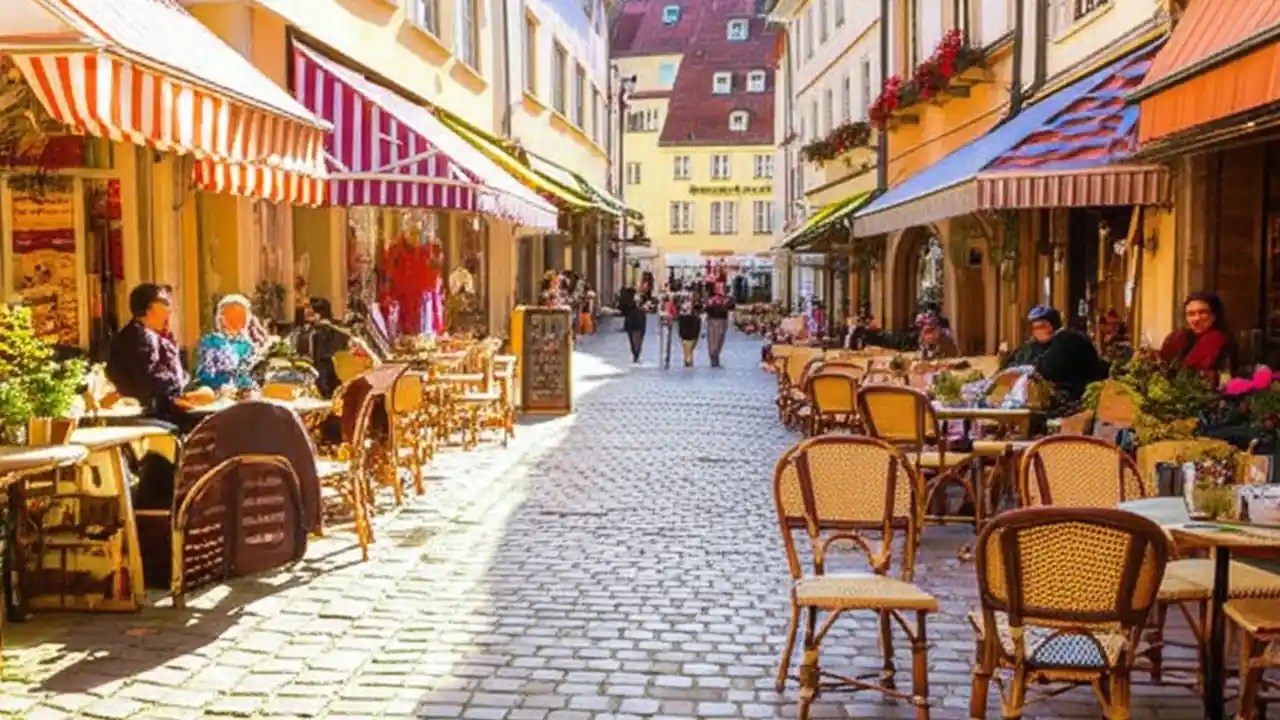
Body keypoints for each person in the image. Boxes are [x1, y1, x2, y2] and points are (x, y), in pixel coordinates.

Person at [105, 284, 212, 431]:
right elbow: (149, 378)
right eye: (164, 303)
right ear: (149, 308)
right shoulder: (138, 336)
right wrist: (180, 393)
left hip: (160, 406)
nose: (169, 310)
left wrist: (190, 387)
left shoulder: (148, 334)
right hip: (151, 412)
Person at [1006, 305, 1107, 404]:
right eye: (1034, 328)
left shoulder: (1070, 341)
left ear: (1053, 326)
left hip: (1073, 396)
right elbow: (1012, 364)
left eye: (1042, 326)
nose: (1037, 331)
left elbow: (1050, 369)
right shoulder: (1031, 346)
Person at [194, 294, 265, 391]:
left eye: (242, 315)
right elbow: (205, 376)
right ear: (222, 318)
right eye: (233, 315)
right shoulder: (210, 342)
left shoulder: (248, 346)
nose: (238, 320)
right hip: (220, 397)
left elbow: (254, 376)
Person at [1160, 292, 1237, 379]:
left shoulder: (1223, 343)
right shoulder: (1178, 339)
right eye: (1191, 314)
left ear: (1214, 316)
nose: (1196, 319)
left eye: (1202, 312)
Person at [703, 282, 735, 367]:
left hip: (720, 320)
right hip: (715, 320)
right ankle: (714, 356)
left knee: (717, 339)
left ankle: (715, 356)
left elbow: (730, 309)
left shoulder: (726, 299)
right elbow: (706, 309)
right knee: (715, 339)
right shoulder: (713, 300)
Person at [622, 289, 648, 364]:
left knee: (637, 340)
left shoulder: (642, 306)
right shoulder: (629, 304)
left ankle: (636, 354)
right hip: (633, 323)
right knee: (634, 340)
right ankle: (635, 354)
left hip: (638, 323)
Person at [677, 292, 702, 367]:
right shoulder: (694, 306)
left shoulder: (696, 306)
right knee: (688, 344)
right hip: (688, 324)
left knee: (687, 344)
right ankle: (688, 359)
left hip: (689, 324)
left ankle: (688, 359)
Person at [657, 284, 677, 369]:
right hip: (668, 324)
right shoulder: (669, 304)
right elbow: (675, 314)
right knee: (667, 341)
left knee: (664, 341)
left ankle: (664, 358)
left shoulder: (663, 305)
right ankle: (665, 358)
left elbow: (660, 314)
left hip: (665, 324)